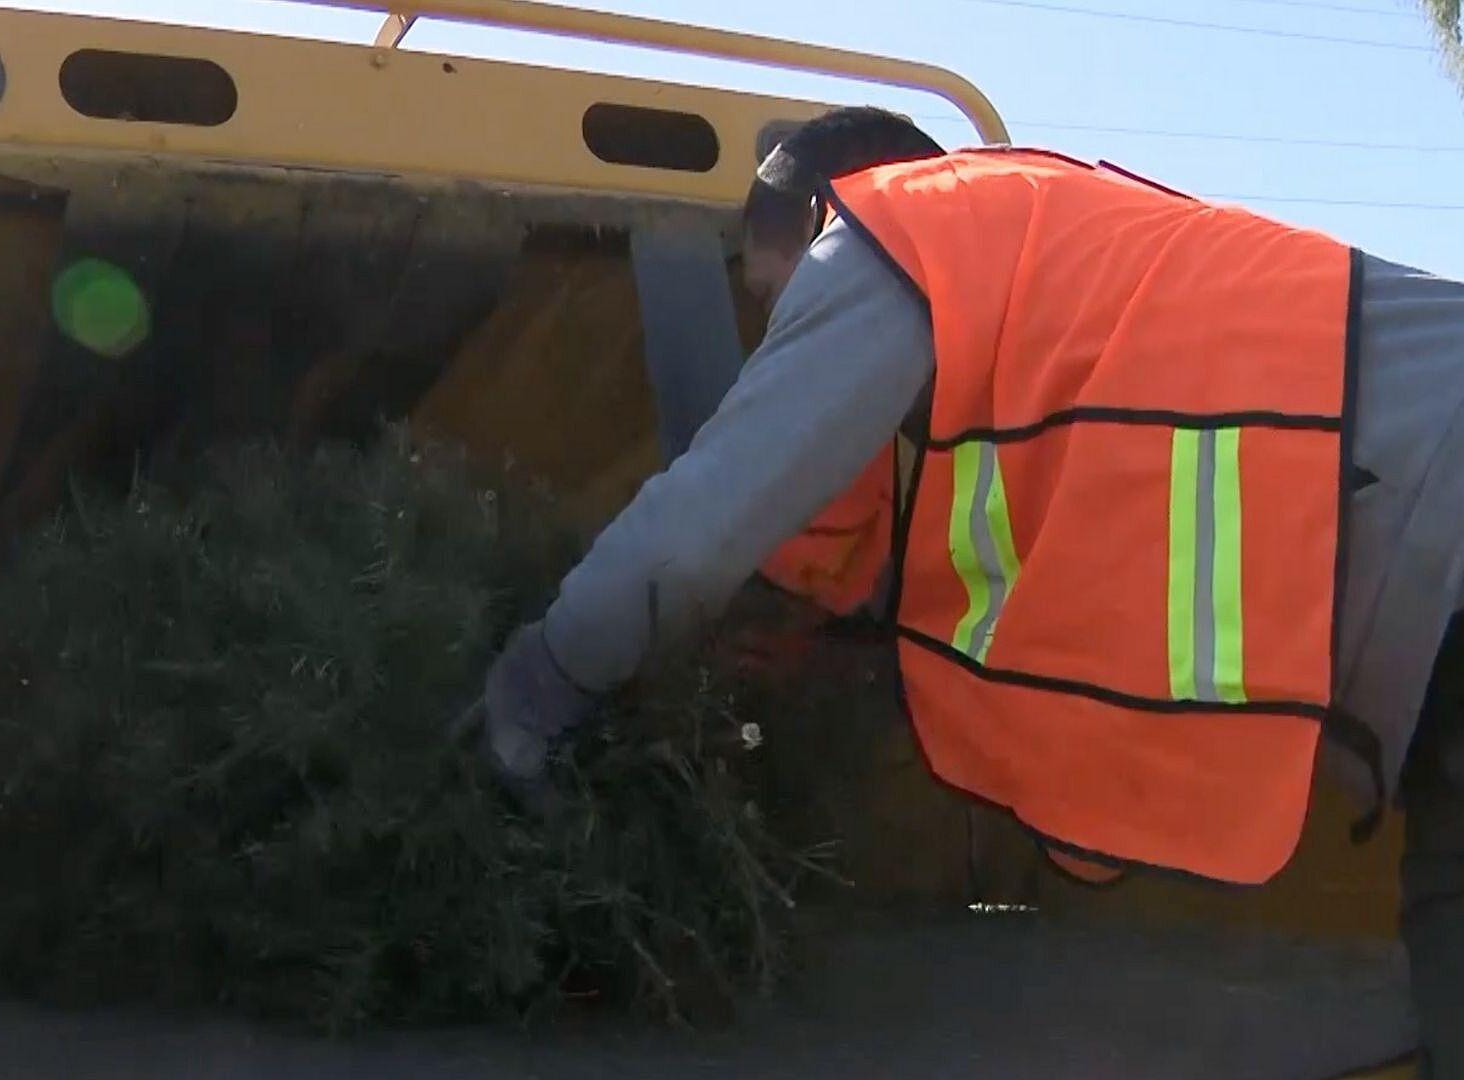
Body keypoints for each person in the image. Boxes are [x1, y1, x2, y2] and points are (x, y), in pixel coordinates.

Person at [474, 106, 1464, 1075]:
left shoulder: (886, 230)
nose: (783, 338)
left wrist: (540, 681)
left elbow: (697, 533)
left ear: (825, 213)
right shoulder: (1044, 263)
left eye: (777, 304)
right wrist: (836, 646)